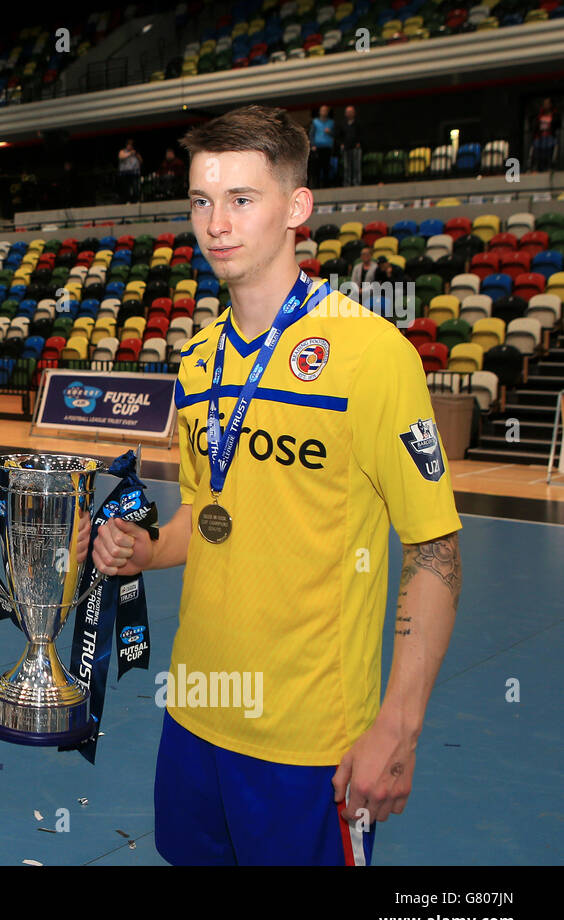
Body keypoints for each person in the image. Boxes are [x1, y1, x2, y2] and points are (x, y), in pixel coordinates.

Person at [93, 105, 462, 866]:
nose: (215, 223)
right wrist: (147, 547)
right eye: (201, 201)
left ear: (297, 208)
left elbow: (434, 549)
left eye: (241, 199)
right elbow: (210, 514)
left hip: (309, 745)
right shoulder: (197, 361)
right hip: (195, 720)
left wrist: (399, 724)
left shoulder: (371, 354)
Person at [309, 104, 336, 188]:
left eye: (325, 110)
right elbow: (311, 134)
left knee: (326, 168)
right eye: (322, 110)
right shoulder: (315, 122)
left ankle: (326, 186)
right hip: (317, 148)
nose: (324, 112)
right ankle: (316, 186)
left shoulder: (331, 122)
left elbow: (336, 134)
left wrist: (330, 132)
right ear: (319, 112)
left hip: (327, 147)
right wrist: (312, 145)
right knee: (316, 168)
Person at [531, 97, 559, 173]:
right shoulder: (540, 115)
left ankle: (549, 166)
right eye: (545, 103)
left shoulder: (554, 114)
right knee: (537, 148)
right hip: (540, 137)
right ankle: (536, 166)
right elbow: (536, 125)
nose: (546, 105)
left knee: (549, 151)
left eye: (547, 103)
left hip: (550, 136)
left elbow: (556, 124)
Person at [338, 105, 363, 187]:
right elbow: (339, 136)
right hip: (346, 148)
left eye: (351, 112)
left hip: (356, 148)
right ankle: (347, 183)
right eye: (348, 112)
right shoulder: (343, 124)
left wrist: (359, 143)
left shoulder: (358, 123)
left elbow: (361, 135)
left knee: (356, 167)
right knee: (346, 167)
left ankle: (357, 182)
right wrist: (342, 144)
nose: (349, 114)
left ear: (354, 113)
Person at [118, 138, 143, 202]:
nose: (130, 146)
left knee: (135, 187)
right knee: (126, 188)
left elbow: (141, 161)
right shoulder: (123, 151)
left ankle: (136, 200)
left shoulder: (135, 152)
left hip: (134, 173)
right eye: (129, 145)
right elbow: (121, 156)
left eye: (131, 145)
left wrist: (136, 154)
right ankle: (127, 200)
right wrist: (130, 154)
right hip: (125, 173)